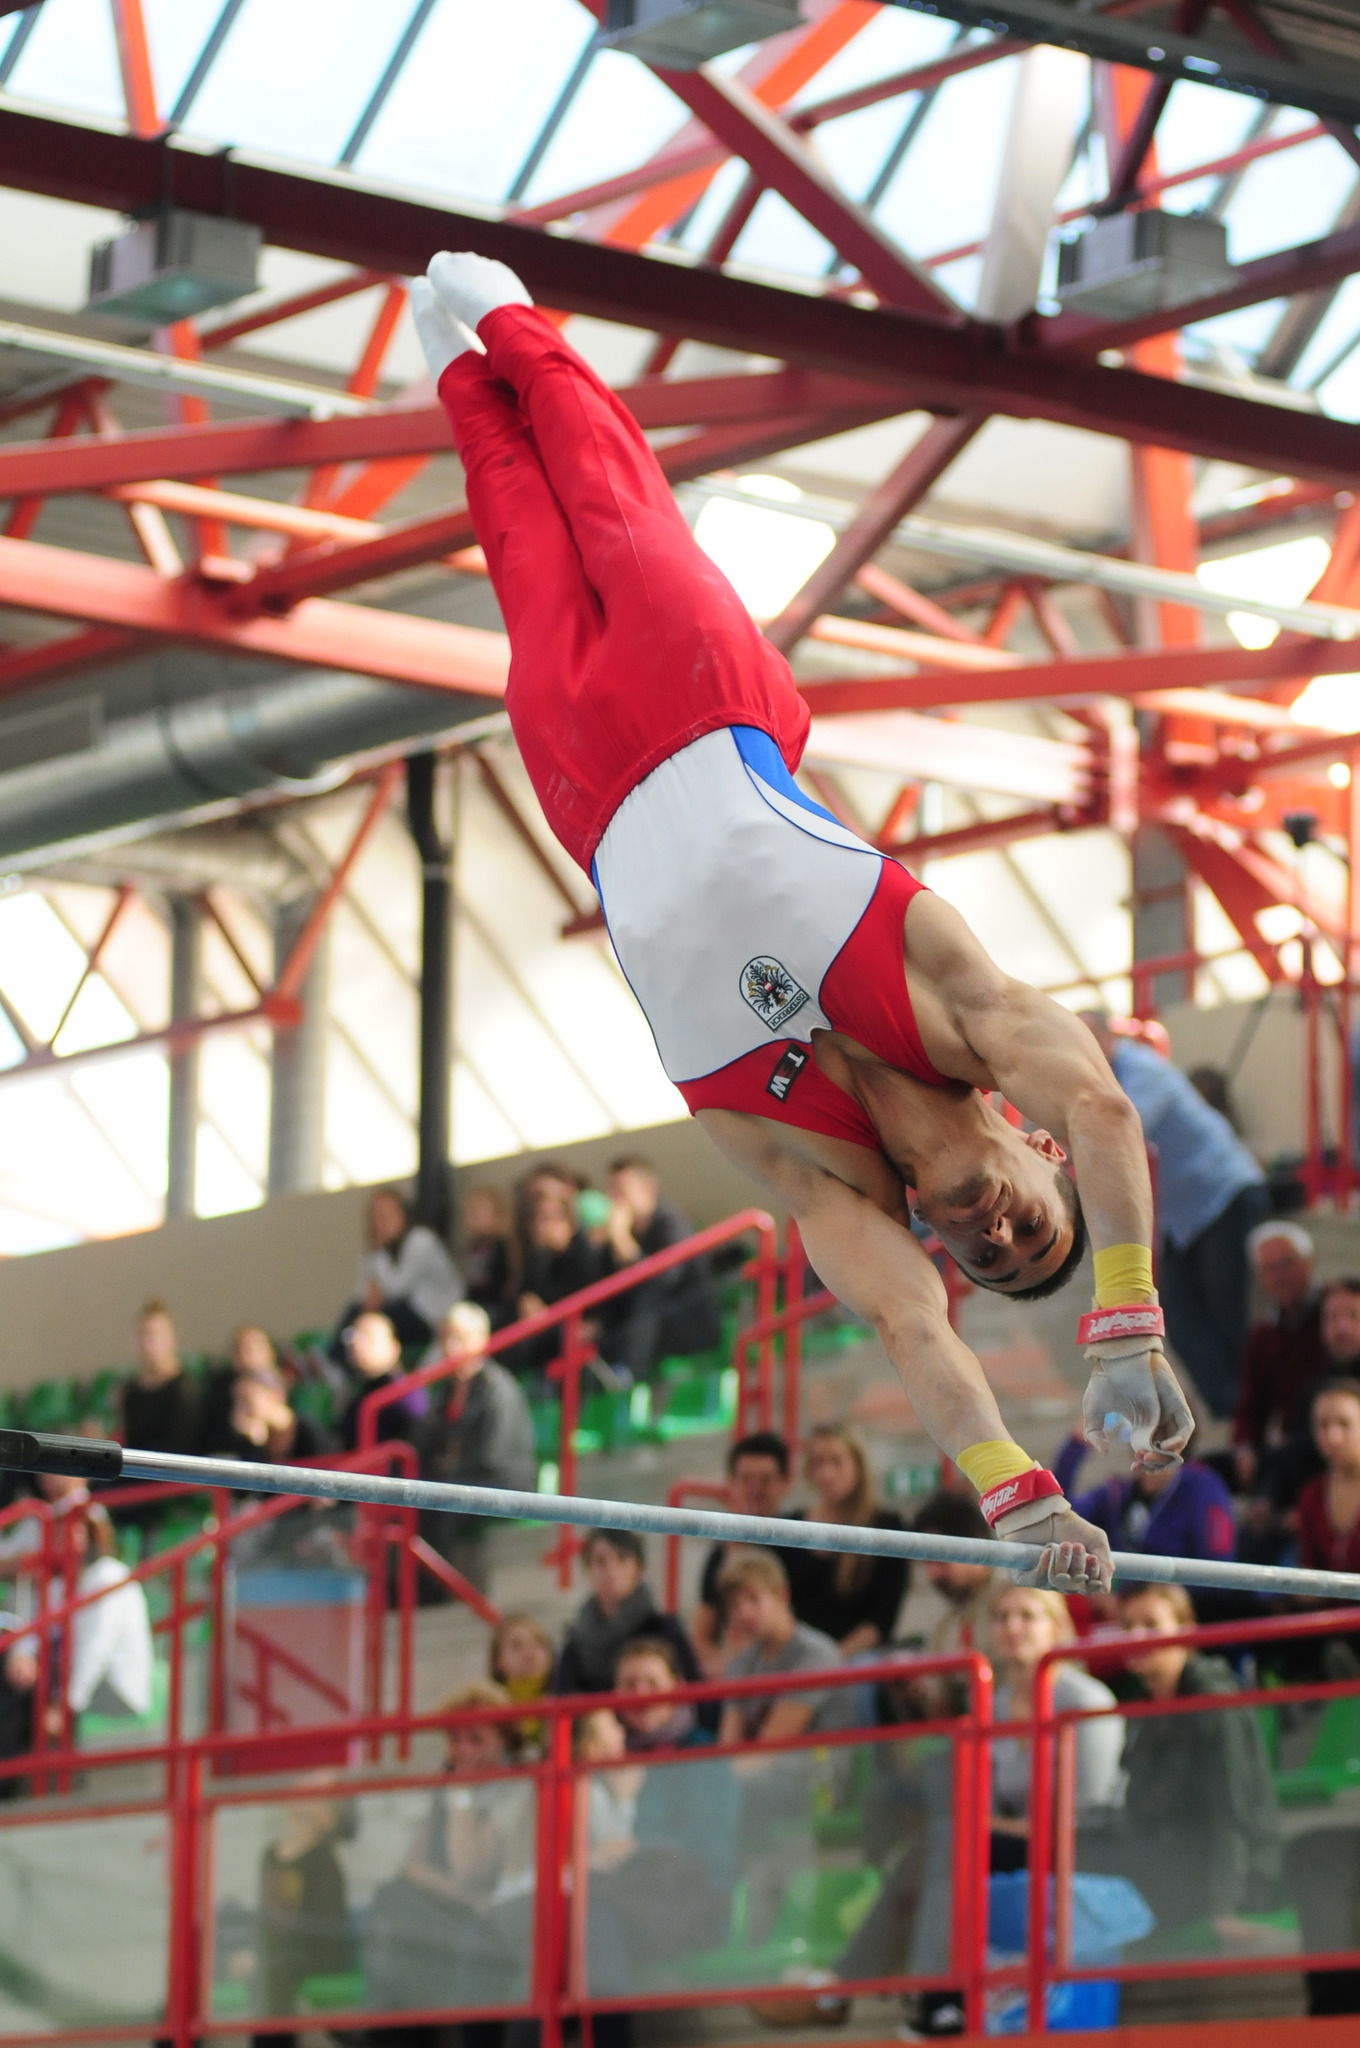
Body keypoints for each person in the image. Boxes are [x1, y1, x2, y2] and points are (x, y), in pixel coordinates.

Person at [413, 250, 1193, 1596]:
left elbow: (913, 1333)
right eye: (1036, 1225)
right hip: (705, 693)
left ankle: (453, 376)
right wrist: (1123, 1317)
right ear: (1036, 1145)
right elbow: (1110, 1107)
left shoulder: (824, 1185)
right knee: (604, 488)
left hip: (587, 783)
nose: (1000, 1236)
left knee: (518, 528)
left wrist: (1013, 1494)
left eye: (991, 1257)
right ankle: (508, 321)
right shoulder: (968, 1018)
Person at [911, 1583, 1122, 2037]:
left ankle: (932, 1998)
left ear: (1057, 1627)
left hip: (1082, 1846)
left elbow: (1087, 1814)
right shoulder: (994, 1703)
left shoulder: (1087, 1701)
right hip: (1017, 1843)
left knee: (945, 1841)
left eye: (1027, 1615)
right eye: (1002, 1616)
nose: (1012, 1626)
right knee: (937, 1845)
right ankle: (932, 1997)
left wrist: (983, 1825)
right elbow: (986, 1803)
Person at [1084, 1015, 1269, 1422]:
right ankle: (1233, 1410)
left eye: (1087, 1037)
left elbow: (1121, 1130)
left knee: (1228, 1311)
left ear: (1108, 1036)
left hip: (1222, 1196)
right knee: (1178, 1315)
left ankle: (1254, 1409)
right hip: (1187, 1217)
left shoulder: (1143, 1070)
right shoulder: (1106, 1080)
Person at [1086, 1584, 1280, 1957]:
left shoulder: (1214, 1702)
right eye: (1128, 1626)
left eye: (1151, 1625)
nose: (1137, 1637)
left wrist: (1225, 1909)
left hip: (1223, 1876)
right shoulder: (1143, 1706)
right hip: (1169, 1859)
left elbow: (1233, 1811)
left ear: (1186, 1631)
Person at [363, 1680, 535, 2042]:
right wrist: (463, 1897)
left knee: (412, 1931)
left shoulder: (517, 1786)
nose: (463, 1750)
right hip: (455, 1906)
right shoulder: (441, 1783)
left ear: (503, 1739)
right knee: (392, 1900)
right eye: (455, 1740)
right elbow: (415, 1867)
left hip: (494, 1921)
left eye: (476, 1739)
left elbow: (471, 1870)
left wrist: (462, 1797)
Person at [418, 1301, 537, 1591]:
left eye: (460, 1338)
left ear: (482, 1339)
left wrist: (446, 1472)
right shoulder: (444, 1393)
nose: (451, 1347)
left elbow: (495, 1456)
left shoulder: (499, 1389)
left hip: (504, 1482)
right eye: (446, 1338)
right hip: (460, 1478)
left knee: (439, 1502)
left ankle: (438, 1592)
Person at [690, 1431, 807, 1673]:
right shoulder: (721, 1551)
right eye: (746, 1479)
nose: (755, 1489)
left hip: (800, 1666)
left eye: (765, 1479)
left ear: (786, 1482)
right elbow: (702, 1637)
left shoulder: (806, 1539)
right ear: (731, 1482)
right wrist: (729, 1667)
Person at [595, 1156, 721, 1381]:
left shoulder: (672, 1223)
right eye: (610, 1192)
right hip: (649, 1327)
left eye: (620, 1191)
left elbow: (663, 1281)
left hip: (691, 1321)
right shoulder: (622, 1230)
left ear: (648, 1190)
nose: (614, 1200)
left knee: (646, 1302)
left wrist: (622, 1241)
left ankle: (625, 1376)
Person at [785, 1423, 908, 1653]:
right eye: (818, 1463)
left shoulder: (887, 1526)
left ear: (857, 1465)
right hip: (802, 1656)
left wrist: (833, 1661)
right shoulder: (791, 1525)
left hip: (863, 1657)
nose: (827, 1474)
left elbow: (882, 1619)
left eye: (836, 1462)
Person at [254, 1787, 356, 2048]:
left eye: (317, 1796)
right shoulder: (270, 1855)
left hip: (312, 1954)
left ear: (327, 1818)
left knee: (275, 1971)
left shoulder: (325, 1863)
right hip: (279, 1954)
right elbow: (267, 1918)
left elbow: (326, 1931)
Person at [716, 1551, 852, 1744]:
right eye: (735, 1605)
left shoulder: (817, 1655)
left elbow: (770, 1746)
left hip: (820, 1762)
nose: (744, 1613)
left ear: (782, 1595)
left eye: (754, 1599)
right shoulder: (744, 1659)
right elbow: (727, 1746)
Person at [1233, 1221, 1328, 1487]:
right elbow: (1252, 1404)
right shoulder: (1263, 1334)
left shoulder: (1337, 1313)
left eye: (1286, 1264)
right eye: (1268, 1268)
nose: (1279, 1277)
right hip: (1293, 1448)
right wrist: (1245, 1446)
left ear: (1309, 1263)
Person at [555, 1529, 701, 1699]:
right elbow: (562, 1700)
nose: (610, 1569)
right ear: (588, 1569)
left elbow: (697, 1694)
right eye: (600, 1561)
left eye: (622, 1558)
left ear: (638, 1567)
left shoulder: (665, 1630)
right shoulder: (575, 1642)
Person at [1062, 1444, 1237, 1569]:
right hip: (1120, 1604)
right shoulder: (1115, 1494)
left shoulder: (1203, 1488)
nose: (1146, 1442)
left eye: (1158, 1435)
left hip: (1177, 1605)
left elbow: (1219, 1567)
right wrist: (1075, 1446)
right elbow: (1062, 1520)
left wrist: (1157, 1592)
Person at [340, 1187, 463, 1353]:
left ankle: (338, 1361)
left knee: (374, 1322)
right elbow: (362, 1294)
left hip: (433, 1319)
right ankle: (334, 1360)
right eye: (376, 1217)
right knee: (358, 1312)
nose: (380, 1223)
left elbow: (397, 1288)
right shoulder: (377, 1251)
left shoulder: (422, 1241)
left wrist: (377, 1253)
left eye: (386, 1215)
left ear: (402, 1215)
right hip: (404, 1313)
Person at [335, 1310, 425, 1453]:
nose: (357, 1345)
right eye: (354, 1337)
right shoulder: (356, 1401)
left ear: (394, 1347)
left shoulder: (405, 1395)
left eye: (368, 1337)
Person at [120, 1300, 201, 1457]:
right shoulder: (131, 1393)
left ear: (171, 1339)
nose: (146, 1344)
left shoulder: (186, 1390)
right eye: (141, 1335)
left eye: (153, 1335)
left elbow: (180, 1451)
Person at [1297, 1377, 1360, 1576]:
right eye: (1323, 1425)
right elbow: (1308, 1574)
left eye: (1344, 1423)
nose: (1333, 1437)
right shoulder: (1311, 1495)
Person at [489, 1613, 556, 1756]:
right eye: (516, 1646)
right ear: (498, 1661)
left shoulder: (569, 1699)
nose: (530, 1654)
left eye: (538, 1642)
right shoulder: (487, 1709)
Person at [460, 1184, 517, 1328]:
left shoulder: (502, 1246)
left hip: (496, 1308)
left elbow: (500, 1284)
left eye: (479, 1213)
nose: (473, 1218)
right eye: (471, 1213)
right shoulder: (473, 1248)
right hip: (477, 1305)